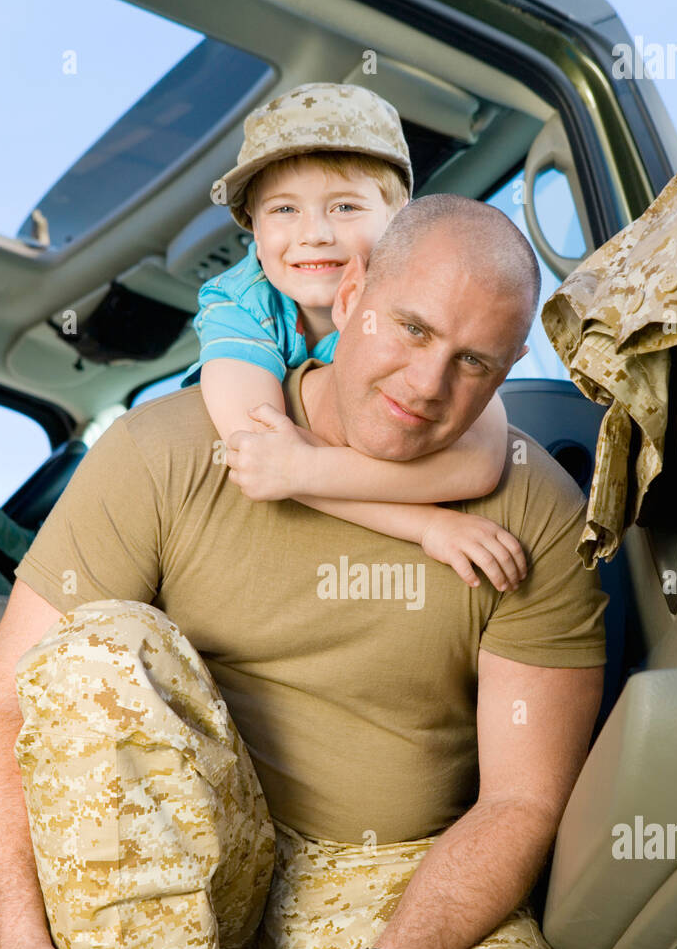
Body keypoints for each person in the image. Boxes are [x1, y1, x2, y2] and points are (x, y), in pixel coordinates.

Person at [0, 193, 647, 949]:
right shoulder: (171, 447)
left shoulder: (532, 515)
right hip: (185, 841)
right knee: (97, 652)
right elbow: (8, 701)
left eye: (475, 363)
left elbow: (518, 802)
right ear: (353, 288)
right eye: (412, 329)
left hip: (392, 874)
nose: (428, 385)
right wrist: (19, 948)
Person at [184, 80, 527, 594]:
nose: (314, 233)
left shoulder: (426, 323)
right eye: (283, 209)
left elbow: (478, 464)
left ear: (399, 219)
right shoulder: (239, 306)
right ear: (253, 227)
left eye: (344, 207)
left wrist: (307, 466)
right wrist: (426, 524)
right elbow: (263, 459)